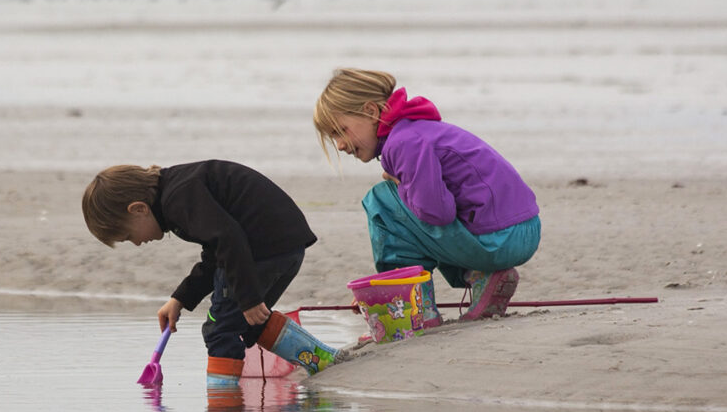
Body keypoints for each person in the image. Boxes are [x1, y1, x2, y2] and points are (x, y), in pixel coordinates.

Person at [82, 160, 354, 388]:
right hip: (284, 246)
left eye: (129, 236)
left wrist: (247, 298)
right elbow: (215, 254)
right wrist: (180, 298)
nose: (137, 243)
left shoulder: (179, 197)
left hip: (261, 247)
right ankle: (321, 359)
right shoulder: (177, 192)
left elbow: (227, 240)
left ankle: (223, 411)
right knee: (244, 322)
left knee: (220, 329)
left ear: (139, 209)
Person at [313, 68, 540, 324]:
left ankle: (412, 303)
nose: (340, 145)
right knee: (403, 204)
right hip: (519, 229)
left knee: (381, 201)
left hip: (501, 240)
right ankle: (477, 275)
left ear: (370, 111)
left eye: (341, 131)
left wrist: (399, 183)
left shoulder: (403, 142)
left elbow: (436, 213)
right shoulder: (416, 130)